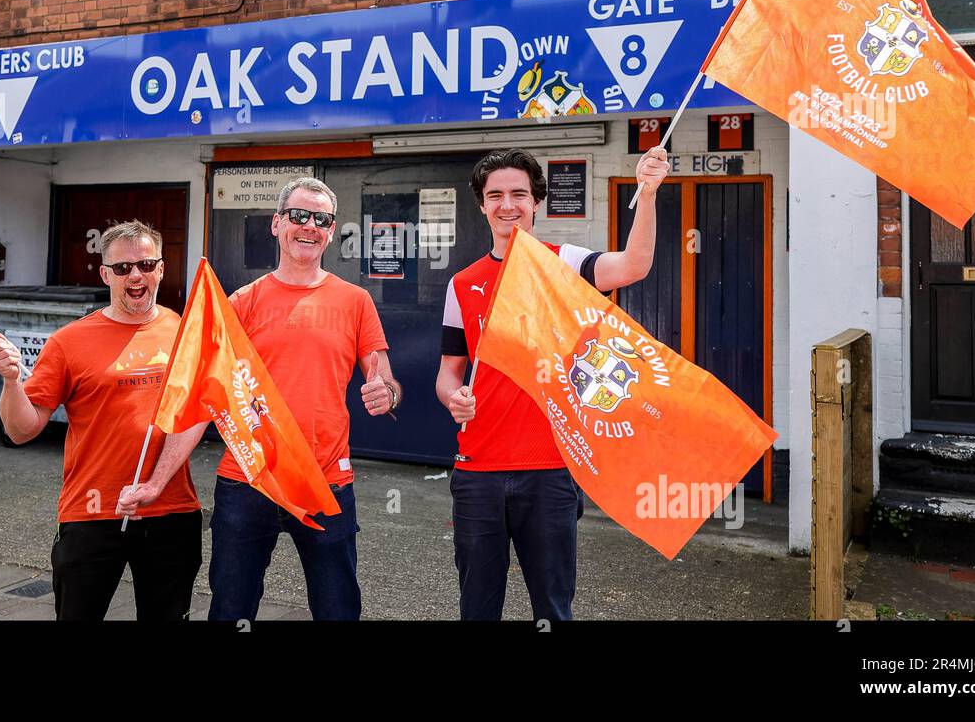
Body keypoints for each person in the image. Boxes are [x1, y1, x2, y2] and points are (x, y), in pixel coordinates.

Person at [436, 146, 670, 620]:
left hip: (550, 470)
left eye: (519, 194)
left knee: (554, 609)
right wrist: (452, 398)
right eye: (495, 194)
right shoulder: (463, 283)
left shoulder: (564, 262)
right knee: (477, 609)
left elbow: (633, 266)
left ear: (536, 201)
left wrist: (646, 196)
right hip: (477, 471)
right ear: (482, 204)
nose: (508, 204)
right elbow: (448, 373)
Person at [0, 219, 206, 621]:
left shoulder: (185, 331)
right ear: (105, 274)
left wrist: (156, 483)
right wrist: (11, 382)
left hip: (171, 511)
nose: (135, 275)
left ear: (161, 268)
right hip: (91, 513)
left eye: (145, 264)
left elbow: (200, 411)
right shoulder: (68, 342)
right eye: (122, 268)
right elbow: (21, 430)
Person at [208, 177, 400, 622]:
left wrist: (385, 393)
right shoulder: (242, 302)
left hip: (326, 480)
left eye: (321, 219)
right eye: (298, 216)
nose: (308, 226)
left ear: (331, 231)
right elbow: (208, 390)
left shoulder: (355, 301)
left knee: (337, 609)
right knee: (231, 608)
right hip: (248, 479)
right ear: (277, 224)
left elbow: (384, 379)